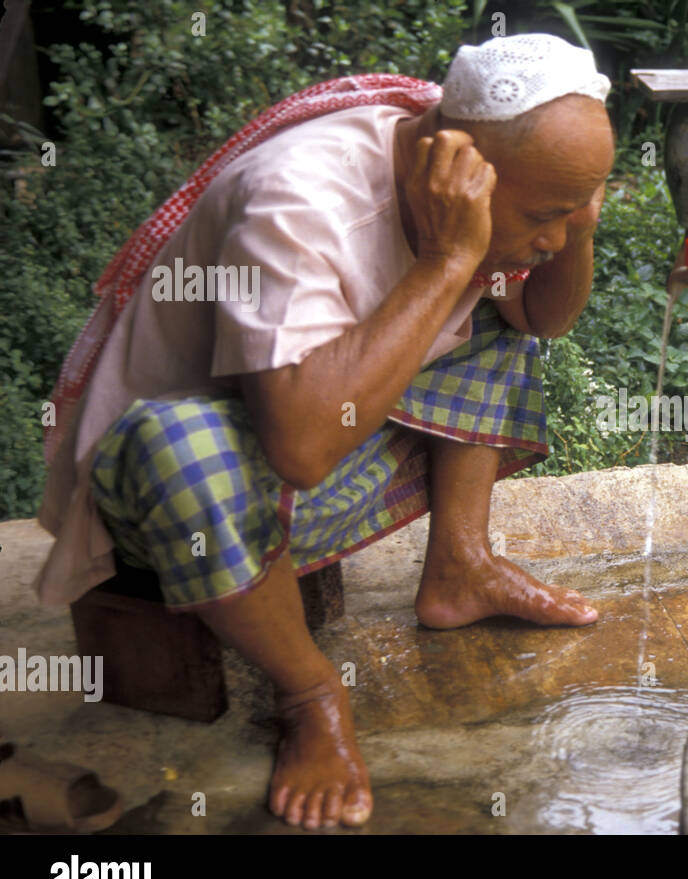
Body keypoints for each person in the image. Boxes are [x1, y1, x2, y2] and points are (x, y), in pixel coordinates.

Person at [33, 34, 617, 830]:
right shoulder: (295, 201)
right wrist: (448, 262)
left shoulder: (447, 164)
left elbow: (543, 317)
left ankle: (461, 566)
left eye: (578, 204)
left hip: (302, 450)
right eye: (548, 211)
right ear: (463, 169)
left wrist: (573, 218)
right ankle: (309, 691)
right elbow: (301, 451)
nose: (558, 235)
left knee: (500, 313)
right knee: (178, 453)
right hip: (176, 502)